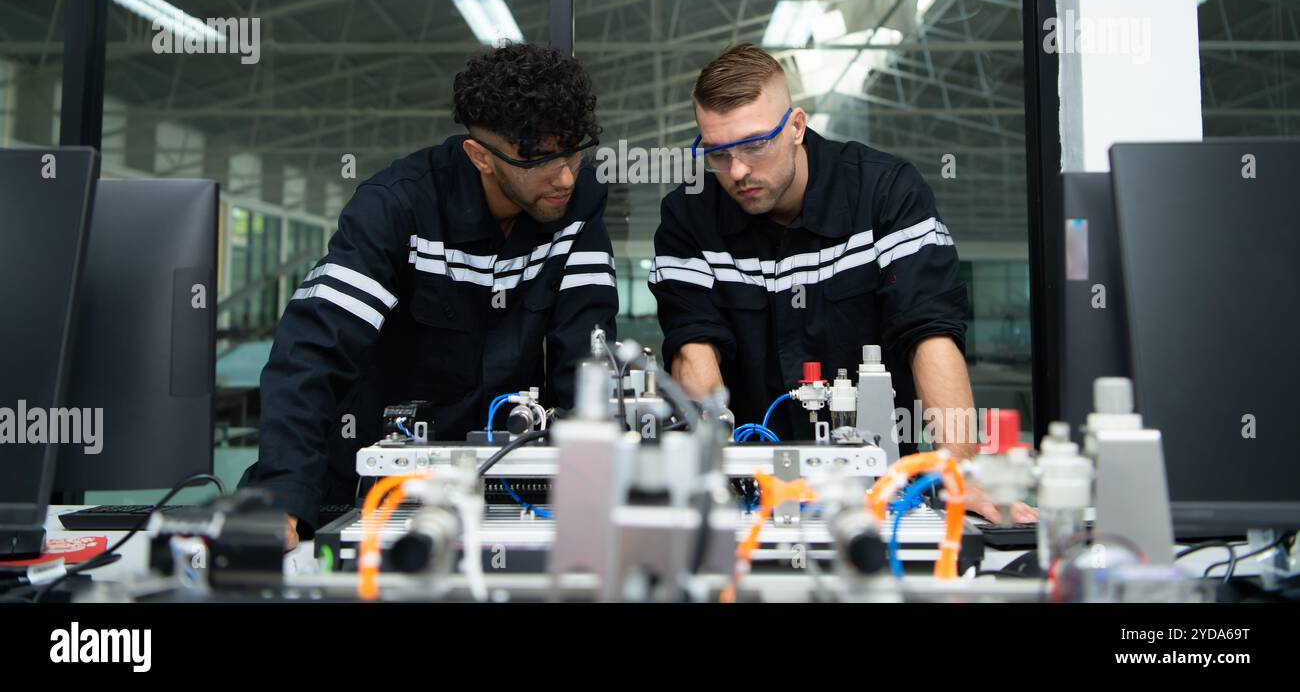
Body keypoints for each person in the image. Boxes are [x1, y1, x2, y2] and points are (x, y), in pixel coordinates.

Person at [241, 44, 618, 547]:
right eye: (537, 159)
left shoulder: (579, 204)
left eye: (573, 149)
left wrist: (597, 483)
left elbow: (587, 359)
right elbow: (312, 350)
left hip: (507, 485)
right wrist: (284, 499)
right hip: (372, 489)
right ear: (479, 155)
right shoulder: (396, 207)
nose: (566, 176)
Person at [650, 44, 1035, 524]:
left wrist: (961, 468)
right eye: (718, 154)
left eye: (754, 145)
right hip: (751, 485)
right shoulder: (689, 216)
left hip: (881, 489)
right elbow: (693, 348)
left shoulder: (885, 193)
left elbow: (930, 333)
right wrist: (716, 467)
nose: (739, 171)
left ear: (795, 127)